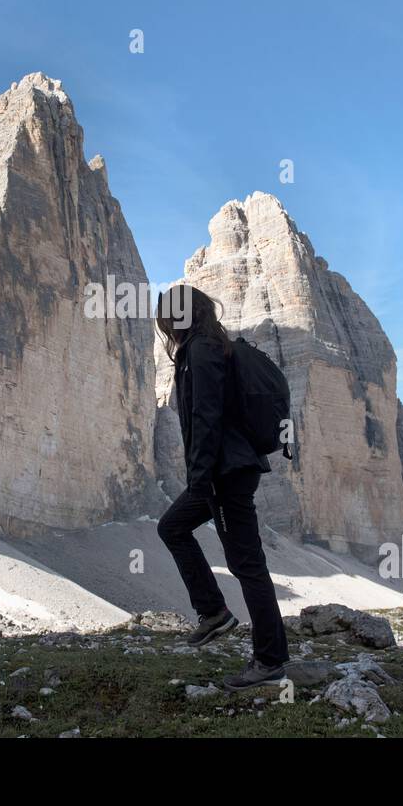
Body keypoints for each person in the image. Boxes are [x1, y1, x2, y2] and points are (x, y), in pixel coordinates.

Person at [155, 284, 289, 691]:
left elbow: (206, 416)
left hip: (224, 473)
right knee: (172, 527)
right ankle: (214, 612)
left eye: (165, 316)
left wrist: (200, 476)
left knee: (247, 564)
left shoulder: (200, 351)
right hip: (230, 468)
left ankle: (269, 660)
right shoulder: (213, 344)